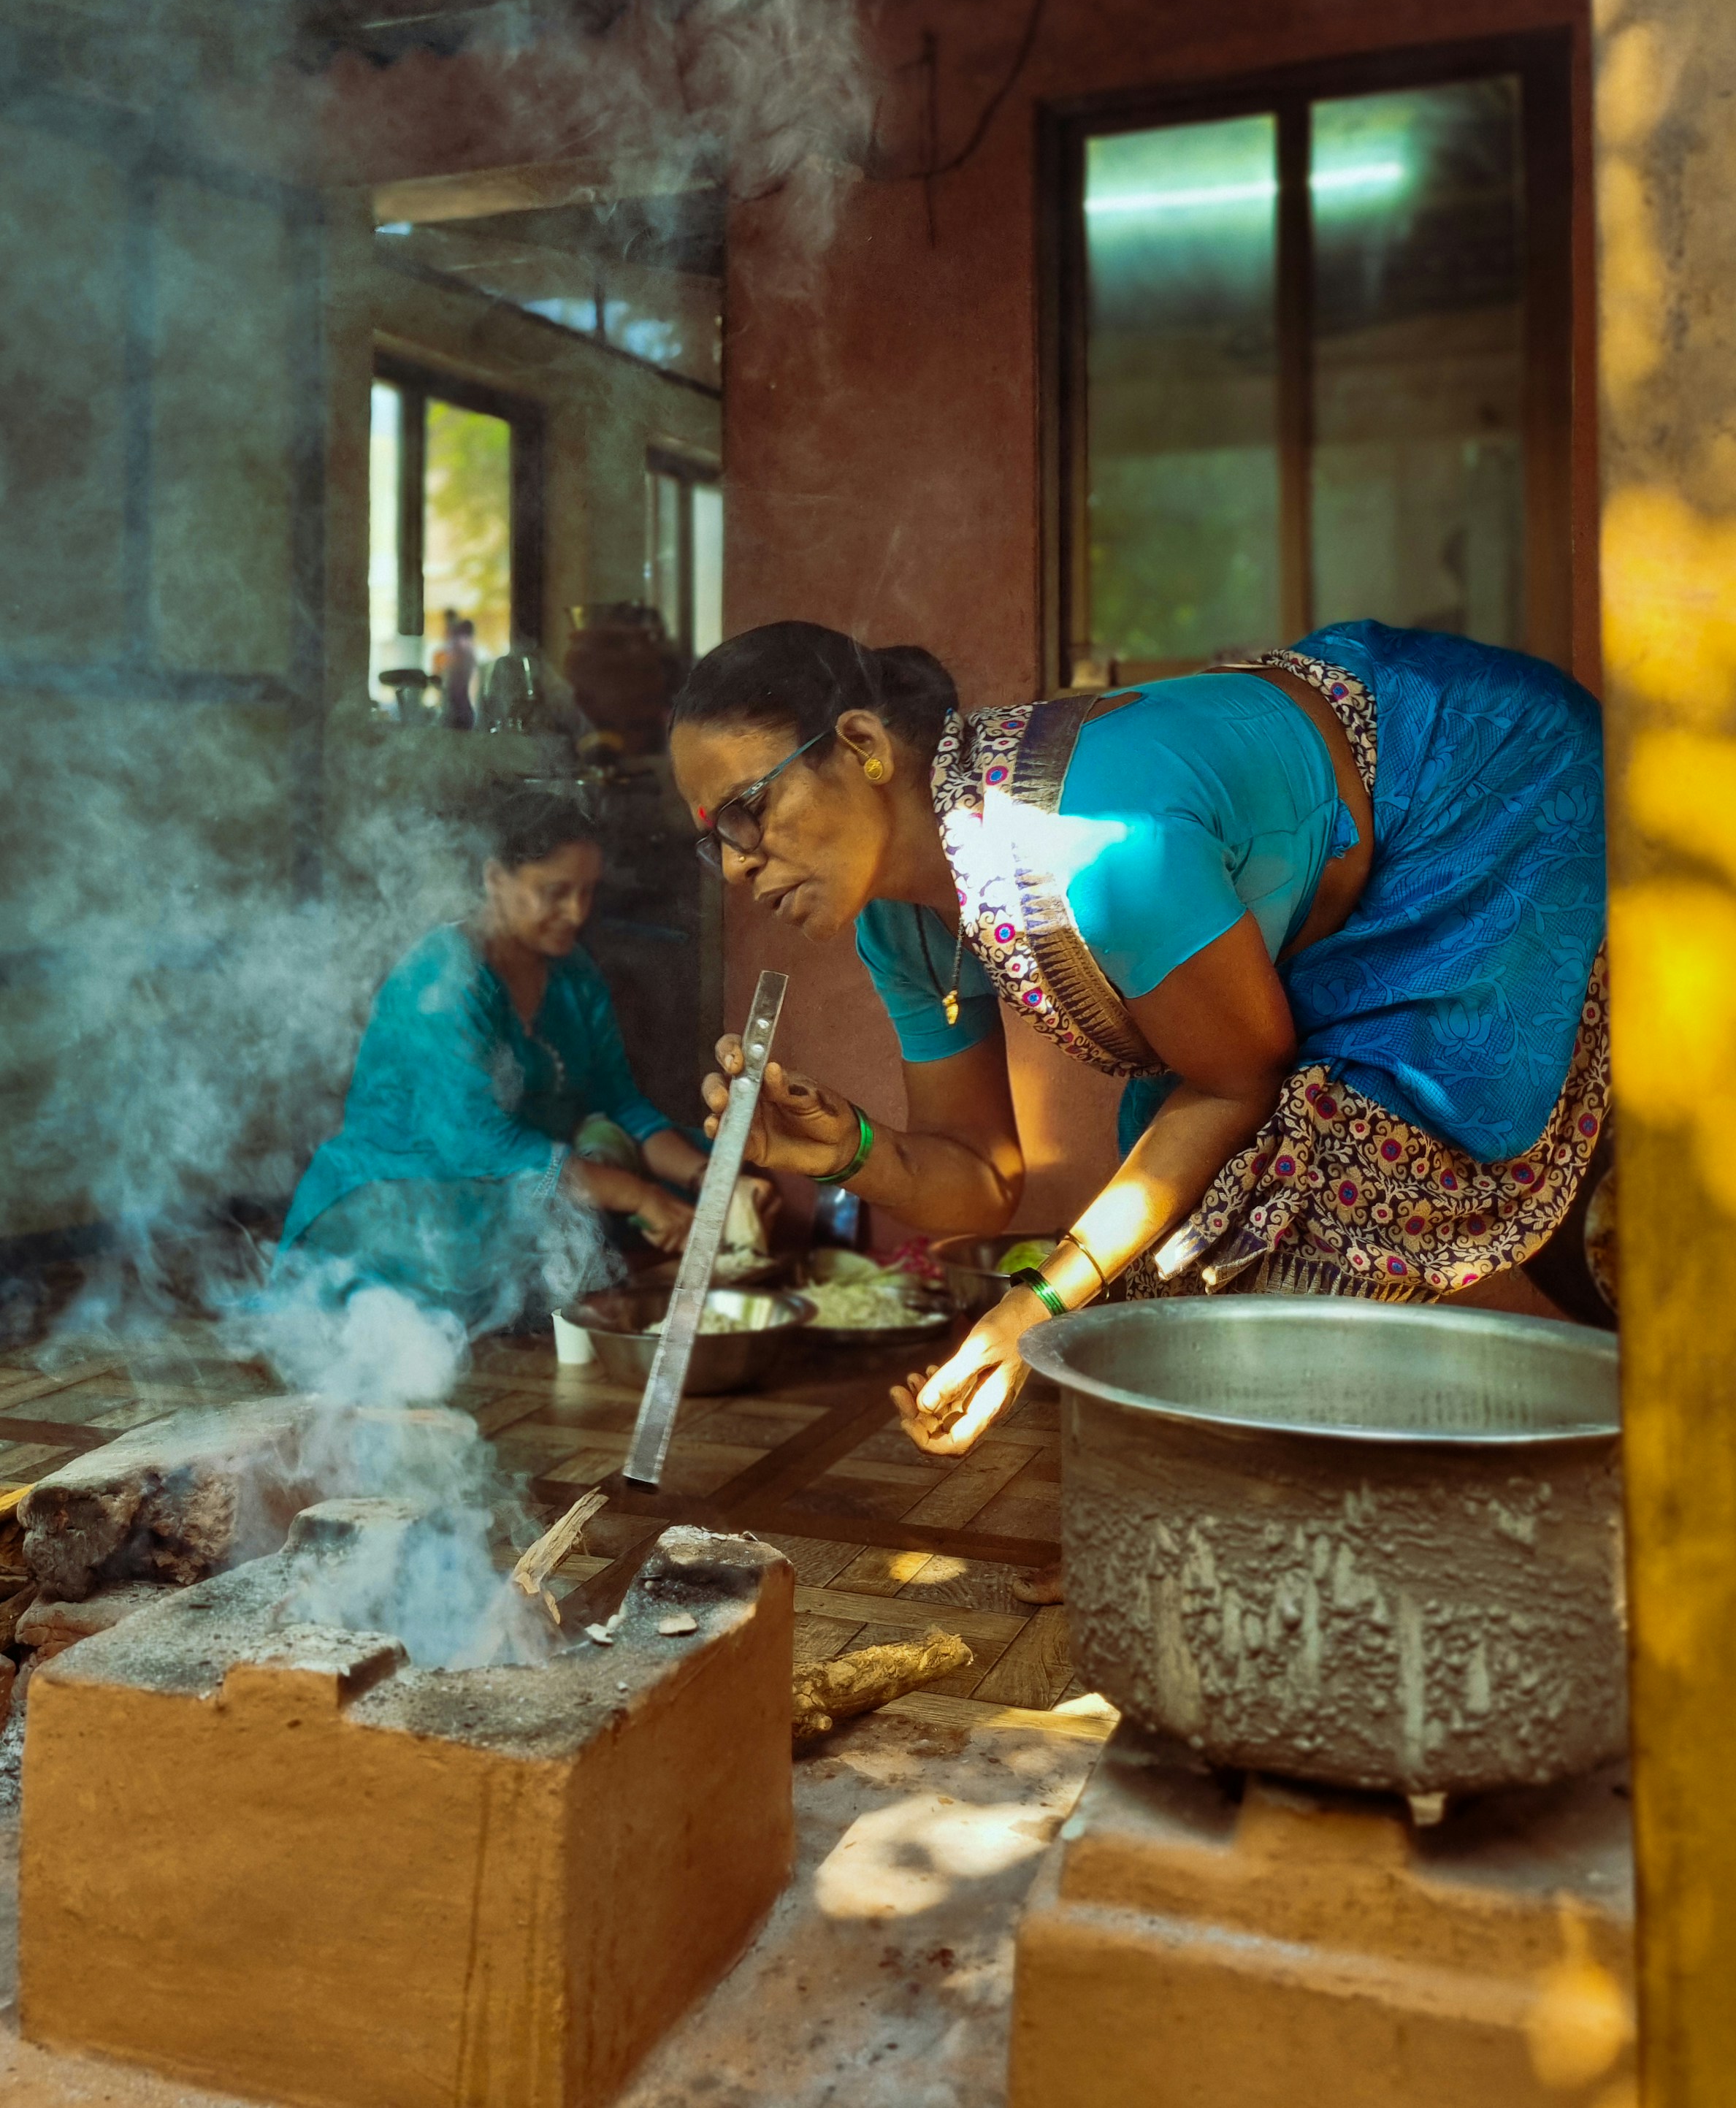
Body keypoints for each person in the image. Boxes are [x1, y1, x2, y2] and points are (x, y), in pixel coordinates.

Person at [670, 620, 1607, 1590]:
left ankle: (1557, 1506)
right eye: (713, 844)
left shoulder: (1091, 840)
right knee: (1173, 1240)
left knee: (1342, 1185)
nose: (737, 867)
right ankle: (1202, 1551)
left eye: (748, 809)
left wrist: (1035, 1309)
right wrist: (842, 1152)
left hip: (1479, 783)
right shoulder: (900, 926)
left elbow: (1238, 1080)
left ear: (862, 747)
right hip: (1330, 871)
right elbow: (984, 1176)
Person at [277, 788, 715, 1332]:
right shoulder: (443, 981)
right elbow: (482, 1147)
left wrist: (709, 1182)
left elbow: (620, 1100)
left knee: (685, 1174)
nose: (576, 913)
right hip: (403, 1209)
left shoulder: (572, 972)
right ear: (494, 879)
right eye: (554, 892)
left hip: (506, 1204)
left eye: (587, 892)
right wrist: (640, 1196)